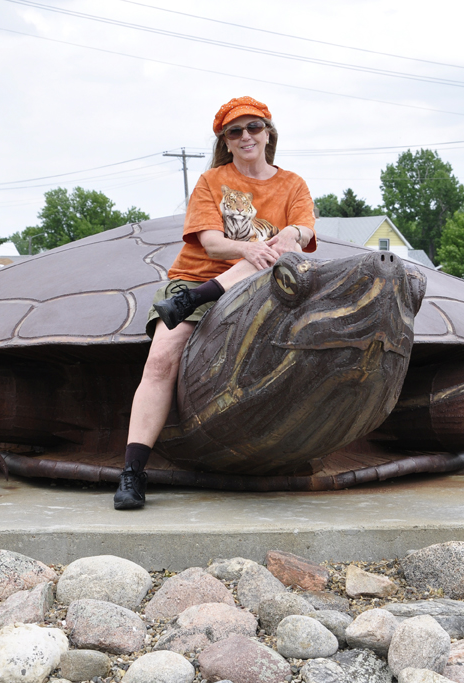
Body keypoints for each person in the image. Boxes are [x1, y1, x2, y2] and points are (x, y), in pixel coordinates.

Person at [115, 96, 317, 510]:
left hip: (259, 287)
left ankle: (194, 302)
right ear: (225, 141)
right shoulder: (210, 182)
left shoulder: (293, 183)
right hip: (195, 276)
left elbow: (303, 231)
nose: (246, 136)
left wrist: (289, 234)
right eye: (235, 131)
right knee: (160, 361)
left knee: (280, 247)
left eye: (254, 127)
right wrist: (249, 249)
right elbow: (209, 243)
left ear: (268, 133)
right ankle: (133, 473)